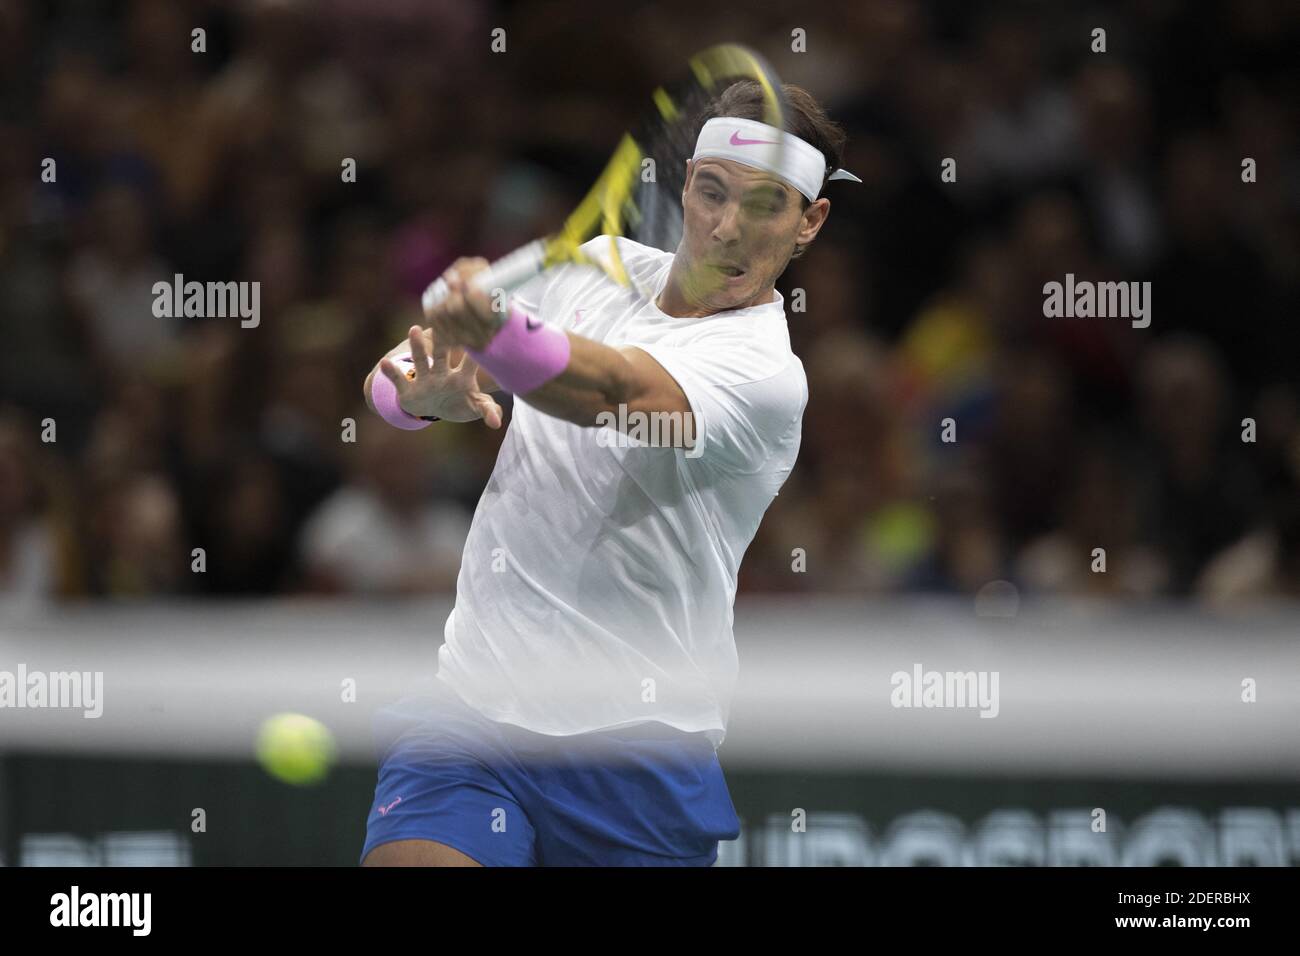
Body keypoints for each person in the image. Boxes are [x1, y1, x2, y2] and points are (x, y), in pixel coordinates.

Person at [359, 81, 856, 866]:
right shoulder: (591, 268)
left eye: (764, 205)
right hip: (474, 713)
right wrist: (417, 398)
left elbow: (612, 390)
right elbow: (397, 377)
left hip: (639, 755)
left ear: (809, 222)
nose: (727, 227)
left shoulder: (764, 373)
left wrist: (493, 334)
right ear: (686, 183)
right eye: (712, 192)